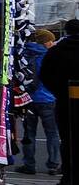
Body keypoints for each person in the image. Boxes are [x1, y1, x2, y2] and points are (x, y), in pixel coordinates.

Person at [39, 19, 79, 185]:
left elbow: (45, 75)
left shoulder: (56, 52)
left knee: (67, 138)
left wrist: (59, 91)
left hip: (64, 100)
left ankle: (68, 177)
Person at [16, 28, 60, 176]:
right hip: (48, 98)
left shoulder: (25, 54)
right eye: (50, 41)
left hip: (28, 98)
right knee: (52, 134)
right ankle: (53, 165)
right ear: (45, 41)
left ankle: (29, 164)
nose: (52, 43)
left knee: (29, 133)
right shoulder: (50, 56)